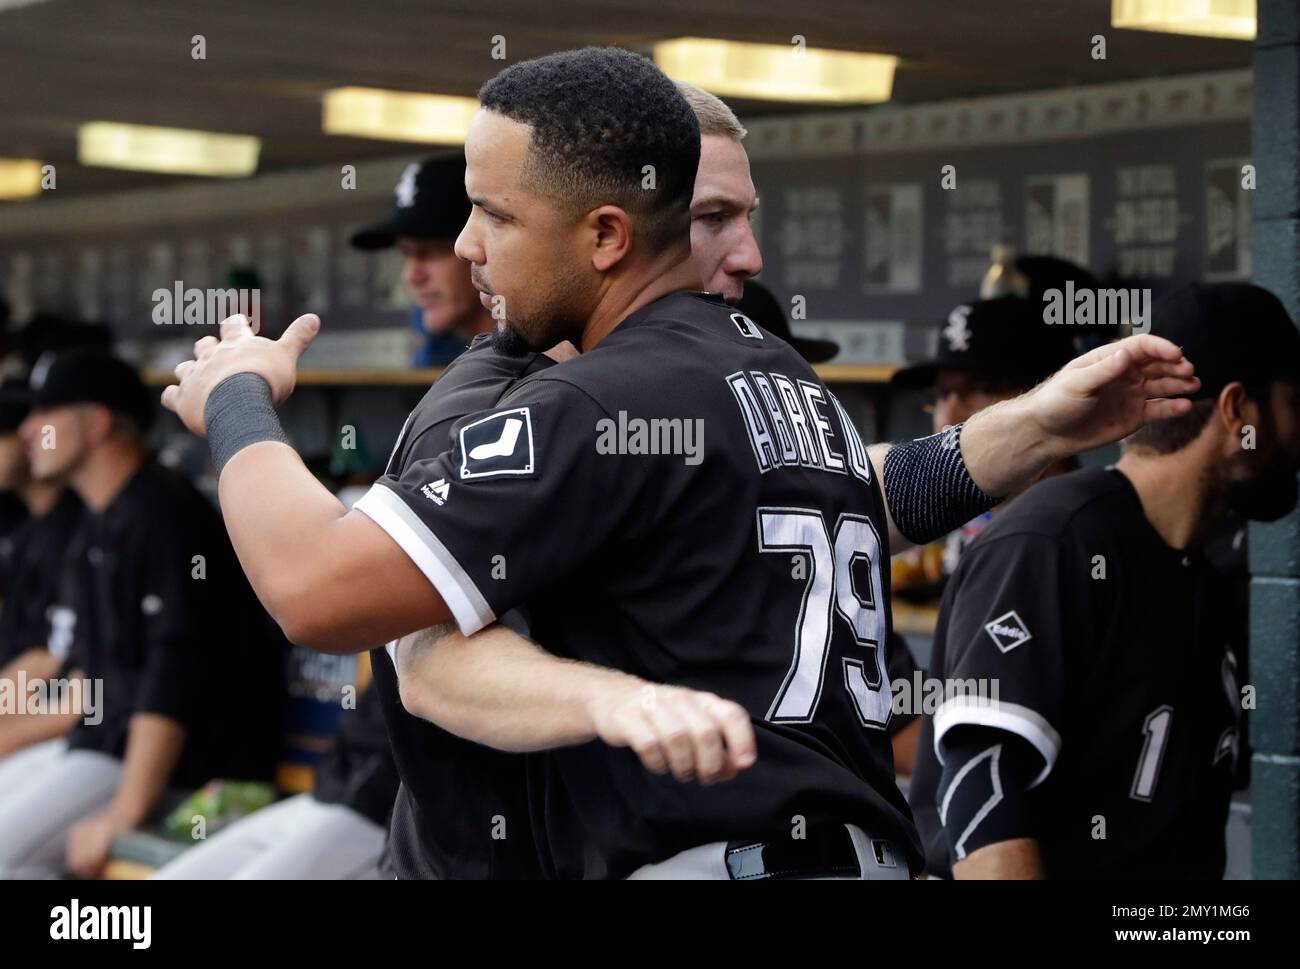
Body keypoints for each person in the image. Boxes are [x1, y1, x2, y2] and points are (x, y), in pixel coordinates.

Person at [161, 47, 1197, 880]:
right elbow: (429, 659)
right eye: (715, 218)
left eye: (494, 215)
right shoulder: (658, 380)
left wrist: (238, 398)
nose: (745, 254)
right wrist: (1032, 432)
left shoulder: (638, 384)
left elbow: (313, 588)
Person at [907, 281, 1298, 879]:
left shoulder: (1199, 569)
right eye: (1294, 403)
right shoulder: (1051, 543)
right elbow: (983, 812)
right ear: (1238, 409)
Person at [0, 348, 282, 878]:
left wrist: (124, 812)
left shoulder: (165, 514)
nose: (29, 429)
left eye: (45, 414)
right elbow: (85, 677)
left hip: (191, 770)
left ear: (98, 423)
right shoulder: (96, 521)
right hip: (103, 745)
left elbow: (171, 678)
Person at [352, 154, 496, 364]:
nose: (412, 276)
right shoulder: (438, 352)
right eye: (406, 254)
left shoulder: (543, 366)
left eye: (432, 252)